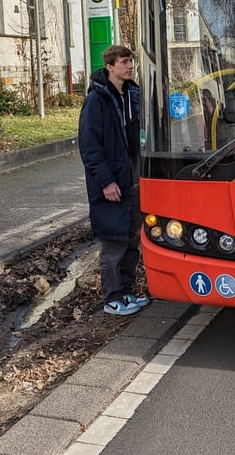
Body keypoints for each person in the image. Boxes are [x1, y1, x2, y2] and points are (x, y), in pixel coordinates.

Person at [78, 45, 150, 316]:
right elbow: (90, 146)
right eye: (124, 62)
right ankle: (111, 298)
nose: (129, 66)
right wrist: (106, 182)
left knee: (132, 239)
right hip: (112, 183)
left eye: (130, 61)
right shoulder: (97, 100)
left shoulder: (133, 94)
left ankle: (127, 292)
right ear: (110, 66)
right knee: (113, 242)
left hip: (134, 178)